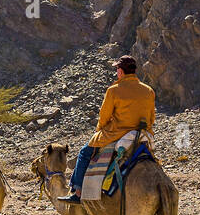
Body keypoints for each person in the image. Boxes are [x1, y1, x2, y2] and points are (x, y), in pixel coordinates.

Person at [61, 55, 155, 203]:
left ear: (121, 72)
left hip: (116, 134)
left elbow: (104, 116)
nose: (116, 71)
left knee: (85, 153)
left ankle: (77, 192)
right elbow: (151, 118)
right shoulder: (148, 90)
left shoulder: (114, 90)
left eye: (117, 68)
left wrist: (99, 131)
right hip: (141, 134)